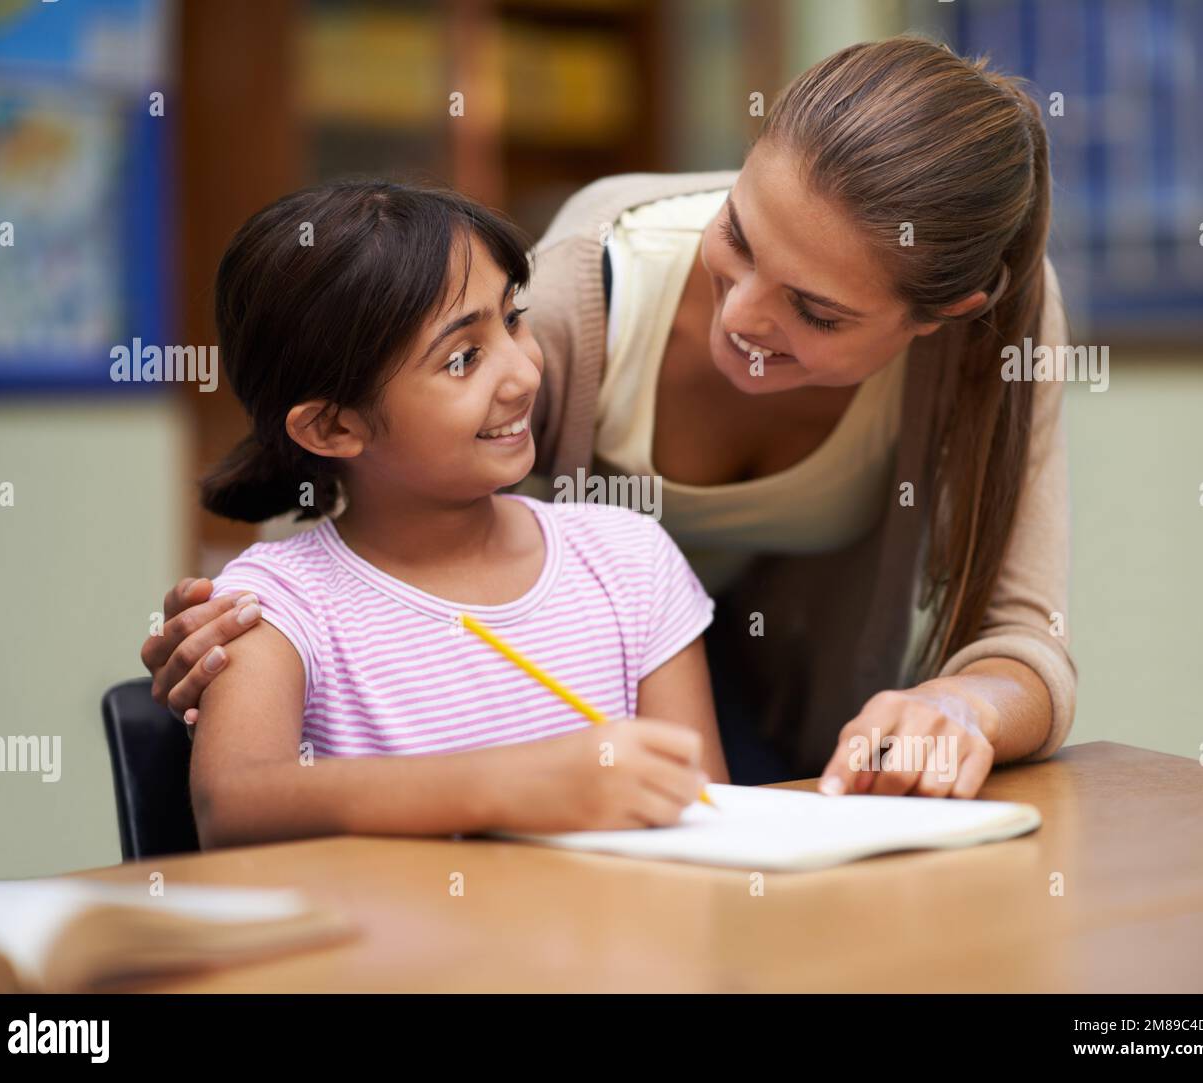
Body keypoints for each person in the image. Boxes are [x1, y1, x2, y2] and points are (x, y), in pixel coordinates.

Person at [145, 37, 1076, 798]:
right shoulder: (570, 296)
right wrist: (242, 639)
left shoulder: (994, 340)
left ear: (944, 315)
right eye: (738, 237)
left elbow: (1025, 634)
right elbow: (361, 492)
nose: (743, 317)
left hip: (785, 752)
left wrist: (966, 705)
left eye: (817, 313)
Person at [187, 180, 728, 849]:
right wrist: (513, 784)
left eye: (512, 318)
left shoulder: (630, 560)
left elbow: (708, 819)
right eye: (463, 357)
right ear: (332, 427)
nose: (525, 374)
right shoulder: (277, 603)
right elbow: (232, 803)